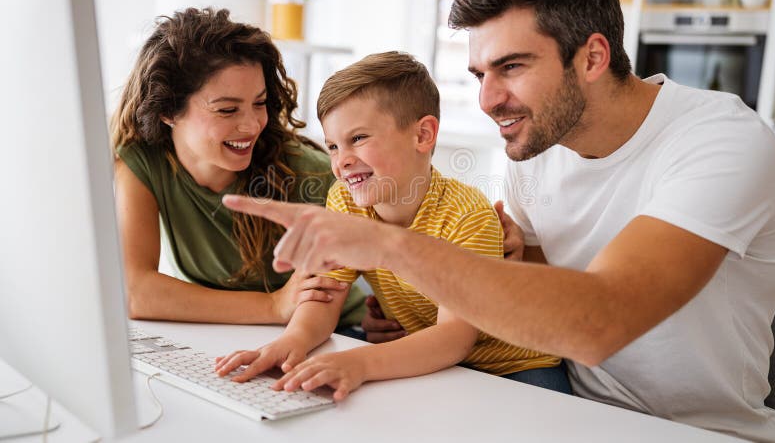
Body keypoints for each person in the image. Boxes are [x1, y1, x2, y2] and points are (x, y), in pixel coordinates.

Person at [221, 0, 775, 443]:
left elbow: (598, 322)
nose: (489, 99)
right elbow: (532, 291)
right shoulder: (536, 149)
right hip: (559, 410)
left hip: (694, 433)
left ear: (592, 57)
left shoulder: (719, 141)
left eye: (511, 67)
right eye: (478, 75)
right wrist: (432, 307)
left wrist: (390, 247)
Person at [215, 51, 568, 399]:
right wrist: (291, 343)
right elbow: (324, 296)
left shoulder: (467, 215)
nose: (342, 162)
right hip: (431, 362)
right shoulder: (345, 201)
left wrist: (358, 364)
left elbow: (454, 338)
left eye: (358, 139)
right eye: (334, 146)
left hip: (515, 367)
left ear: (423, 135)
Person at [111, 7, 365, 329]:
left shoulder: (309, 174)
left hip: (341, 331)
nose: (252, 125)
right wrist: (272, 306)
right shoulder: (142, 161)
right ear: (168, 111)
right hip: (239, 333)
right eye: (227, 110)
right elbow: (135, 293)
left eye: (259, 103)